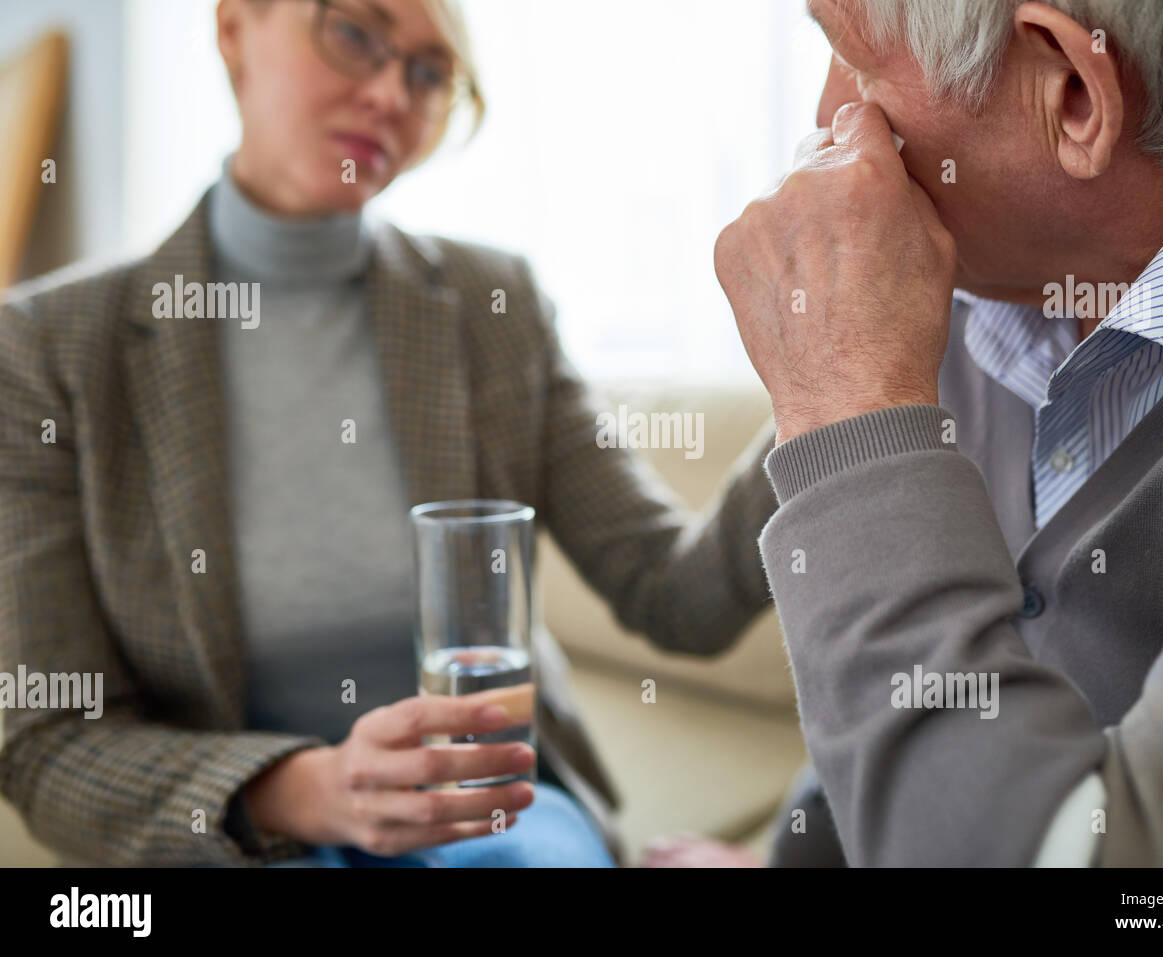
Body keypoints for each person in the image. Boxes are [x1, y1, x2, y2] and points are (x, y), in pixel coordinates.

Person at [0, 0, 779, 868]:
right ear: (234, 28)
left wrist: (835, 380)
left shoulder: (497, 306)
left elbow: (675, 595)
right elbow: (45, 740)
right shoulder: (46, 350)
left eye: (428, 72)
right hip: (245, 838)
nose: (390, 95)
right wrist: (307, 789)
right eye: (355, 32)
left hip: (489, 817)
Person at [713, 0, 1163, 865]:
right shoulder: (980, 294)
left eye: (854, 59)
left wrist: (851, 405)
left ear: (1071, 95)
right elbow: (917, 706)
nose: (824, 115)